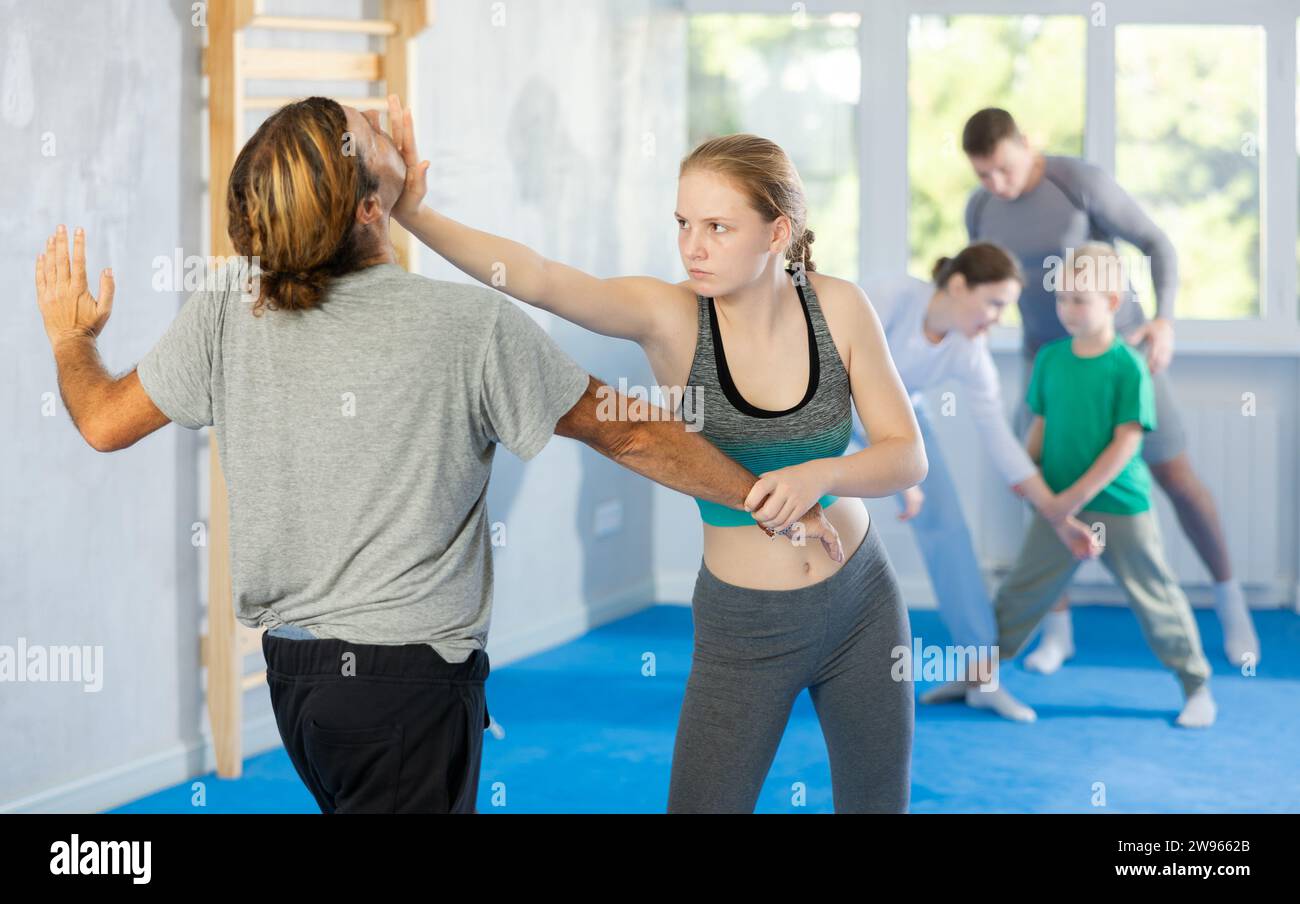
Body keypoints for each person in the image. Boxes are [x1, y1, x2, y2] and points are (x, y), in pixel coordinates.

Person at [31, 96, 841, 814]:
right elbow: (628, 428)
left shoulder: (230, 308)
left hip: (295, 682)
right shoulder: (466, 328)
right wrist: (767, 501)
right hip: (407, 691)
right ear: (367, 209)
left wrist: (71, 339)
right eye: (363, 136)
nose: (376, 126)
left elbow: (101, 419)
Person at [382, 95, 927, 813]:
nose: (692, 246)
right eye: (683, 224)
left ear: (777, 232)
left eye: (718, 227)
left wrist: (819, 474)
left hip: (862, 598)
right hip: (745, 623)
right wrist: (415, 215)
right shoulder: (669, 316)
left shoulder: (839, 306)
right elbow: (540, 276)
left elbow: (905, 456)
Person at [962, 107, 1258, 670]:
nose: (997, 184)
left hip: (1117, 354)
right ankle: (1058, 632)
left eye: (1003, 167)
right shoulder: (980, 209)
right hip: (1047, 361)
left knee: (1175, 475)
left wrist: (1165, 319)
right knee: (1045, 482)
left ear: (1027, 142)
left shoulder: (1077, 183)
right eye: (984, 175)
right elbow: (989, 283)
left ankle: (1231, 605)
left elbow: (1156, 243)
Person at [972, 242, 1215, 727]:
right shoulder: (1050, 359)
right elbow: (1037, 429)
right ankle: (979, 676)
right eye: (1062, 298)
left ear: (1111, 302)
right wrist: (1028, 475)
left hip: (1120, 505)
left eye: (1079, 299)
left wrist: (1072, 499)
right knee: (1021, 593)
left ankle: (1196, 687)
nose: (1067, 309)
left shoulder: (1128, 365)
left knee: (1156, 596)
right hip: (1058, 508)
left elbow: (1126, 443)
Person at [861, 243, 1100, 722]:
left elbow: (1001, 442)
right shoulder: (890, 299)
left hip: (901, 418)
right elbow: (837, 374)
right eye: (993, 303)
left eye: (1005, 308)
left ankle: (980, 674)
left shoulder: (970, 351)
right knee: (810, 520)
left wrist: (1057, 514)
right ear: (956, 285)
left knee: (947, 528)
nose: (997, 318)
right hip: (825, 408)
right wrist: (889, 467)